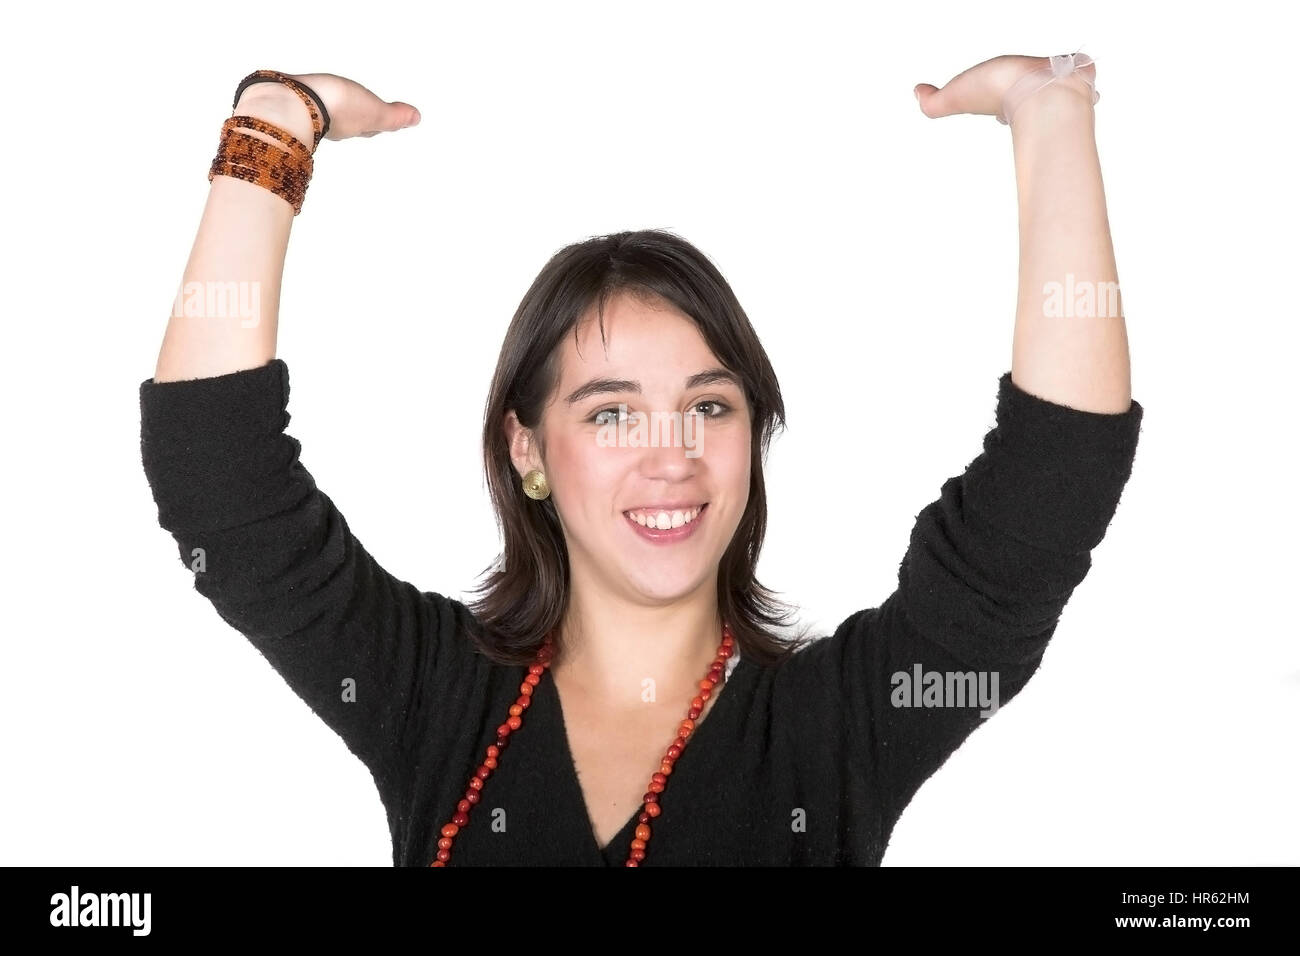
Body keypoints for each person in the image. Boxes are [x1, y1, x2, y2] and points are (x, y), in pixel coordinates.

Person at [139, 56, 1143, 866]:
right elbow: (219, 485)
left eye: (709, 404)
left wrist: (1050, 117)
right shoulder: (426, 692)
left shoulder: (833, 727)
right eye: (611, 413)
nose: (673, 455)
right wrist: (275, 123)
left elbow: (1045, 496)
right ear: (526, 446)